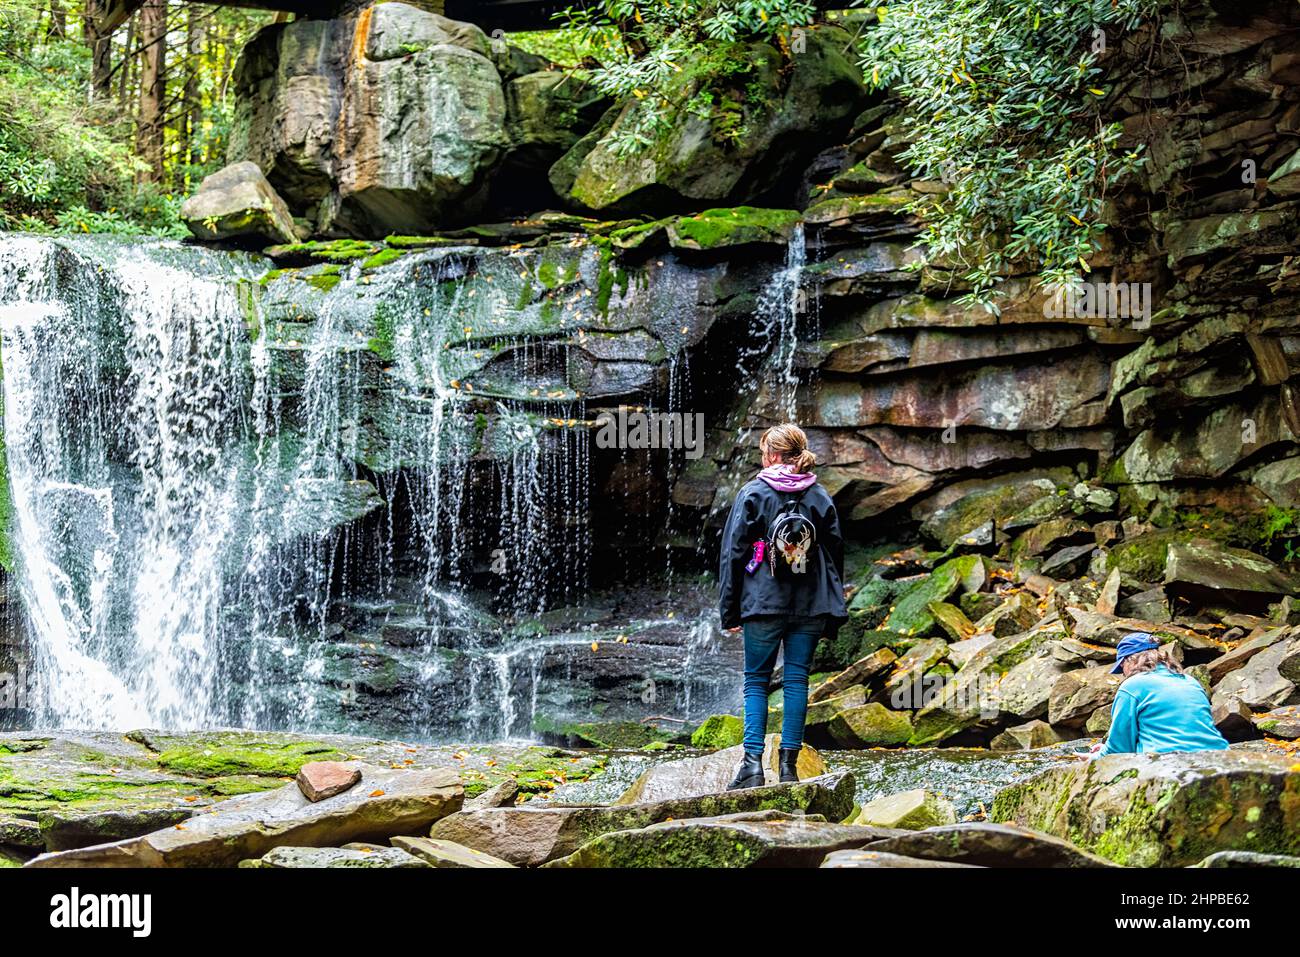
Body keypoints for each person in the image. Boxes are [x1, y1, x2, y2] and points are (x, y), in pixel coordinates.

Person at [717, 423, 847, 789]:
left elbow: (732, 555)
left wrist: (730, 611)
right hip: (810, 604)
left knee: (756, 681)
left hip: (762, 603)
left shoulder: (754, 493)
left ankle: (752, 767)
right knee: (796, 680)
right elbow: (835, 554)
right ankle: (789, 768)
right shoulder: (819, 495)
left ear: (772, 455)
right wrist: (834, 607)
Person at [1092, 632, 1229, 757]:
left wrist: (1093, 757)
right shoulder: (1190, 681)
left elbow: (1120, 750)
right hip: (1218, 754)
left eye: (1121, 667)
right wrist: (1106, 747)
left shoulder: (1132, 686)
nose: (1123, 674)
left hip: (1169, 761)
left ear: (1128, 660)